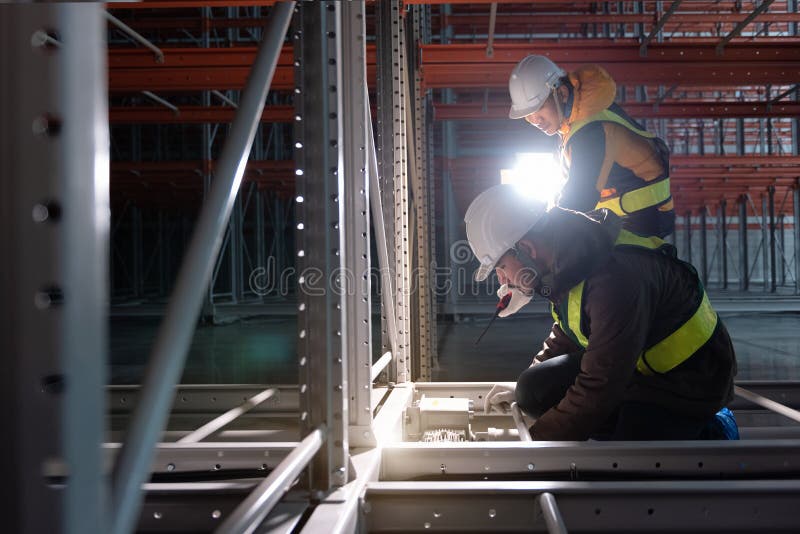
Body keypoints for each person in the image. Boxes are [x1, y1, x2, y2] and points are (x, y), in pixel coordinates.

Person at [464, 184, 738, 440]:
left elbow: (600, 385)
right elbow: (569, 330)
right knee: (533, 389)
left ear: (526, 249)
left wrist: (537, 443)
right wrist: (521, 390)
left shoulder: (615, 278)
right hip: (644, 365)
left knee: (623, 426)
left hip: (692, 382)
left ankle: (707, 430)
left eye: (501, 267)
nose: (502, 280)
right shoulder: (570, 258)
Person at [508, 55, 675, 238]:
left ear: (562, 94)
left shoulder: (590, 132)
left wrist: (538, 234)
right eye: (528, 115)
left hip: (642, 223)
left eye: (538, 108)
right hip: (627, 220)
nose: (535, 120)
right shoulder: (574, 123)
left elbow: (578, 198)